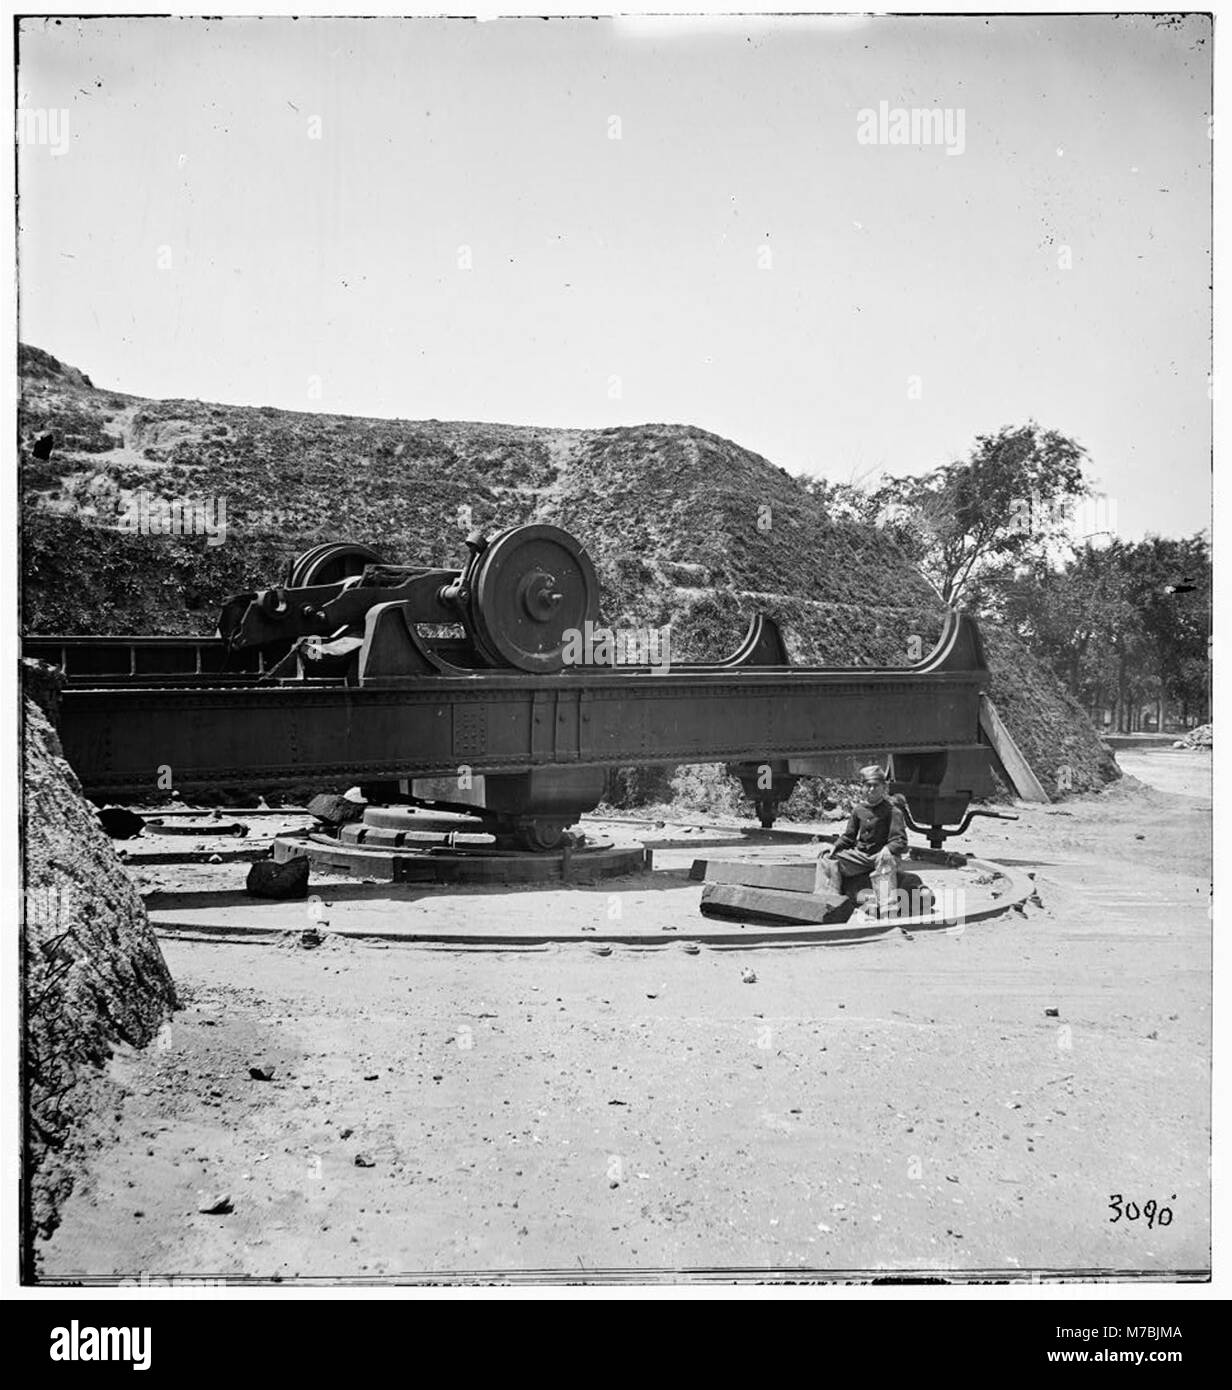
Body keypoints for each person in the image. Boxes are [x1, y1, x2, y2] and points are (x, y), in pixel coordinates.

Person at [814, 764, 907, 898]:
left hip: (881, 856)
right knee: (827, 859)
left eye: (876, 785)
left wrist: (888, 849)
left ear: (884, 788)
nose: (872, 789)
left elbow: (900, 840)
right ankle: (828, 898)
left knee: (886, 861)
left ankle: (886, 903)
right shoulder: (859, 810)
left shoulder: (892, 811)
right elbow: (849, 837)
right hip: (861, 856)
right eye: (868, 785)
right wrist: (834, 847)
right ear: (862, 788)